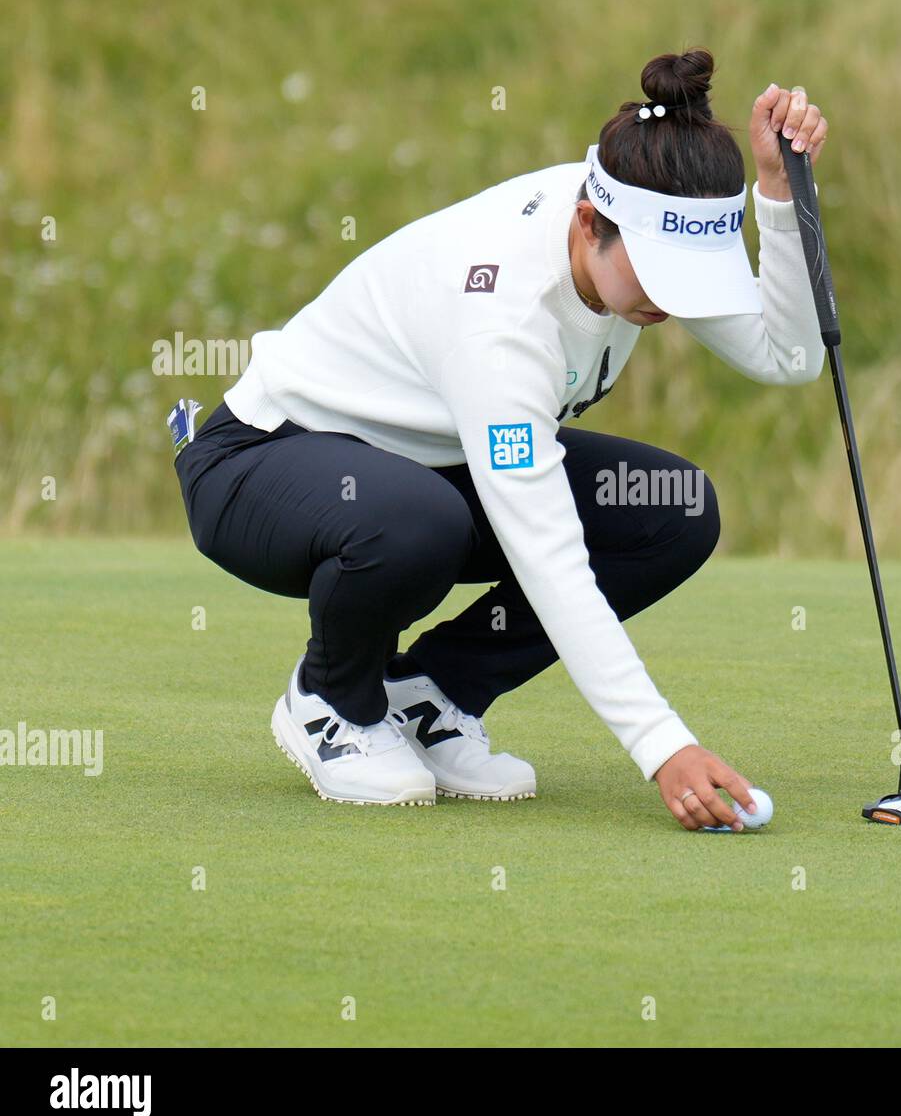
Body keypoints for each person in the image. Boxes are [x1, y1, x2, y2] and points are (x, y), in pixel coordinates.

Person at [171, 47, 830, 831]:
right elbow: (546, 549)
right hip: (259, 466)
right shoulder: (504, 319)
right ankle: (333, 701)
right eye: (658, 274)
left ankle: (430, 698)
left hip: (419, 467)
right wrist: (663, 746)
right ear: (590, 224)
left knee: (673, 508)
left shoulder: (646, 211)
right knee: (419, 521)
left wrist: (782, 199)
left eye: (694, 277)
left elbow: (790, 356)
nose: (672, 300)